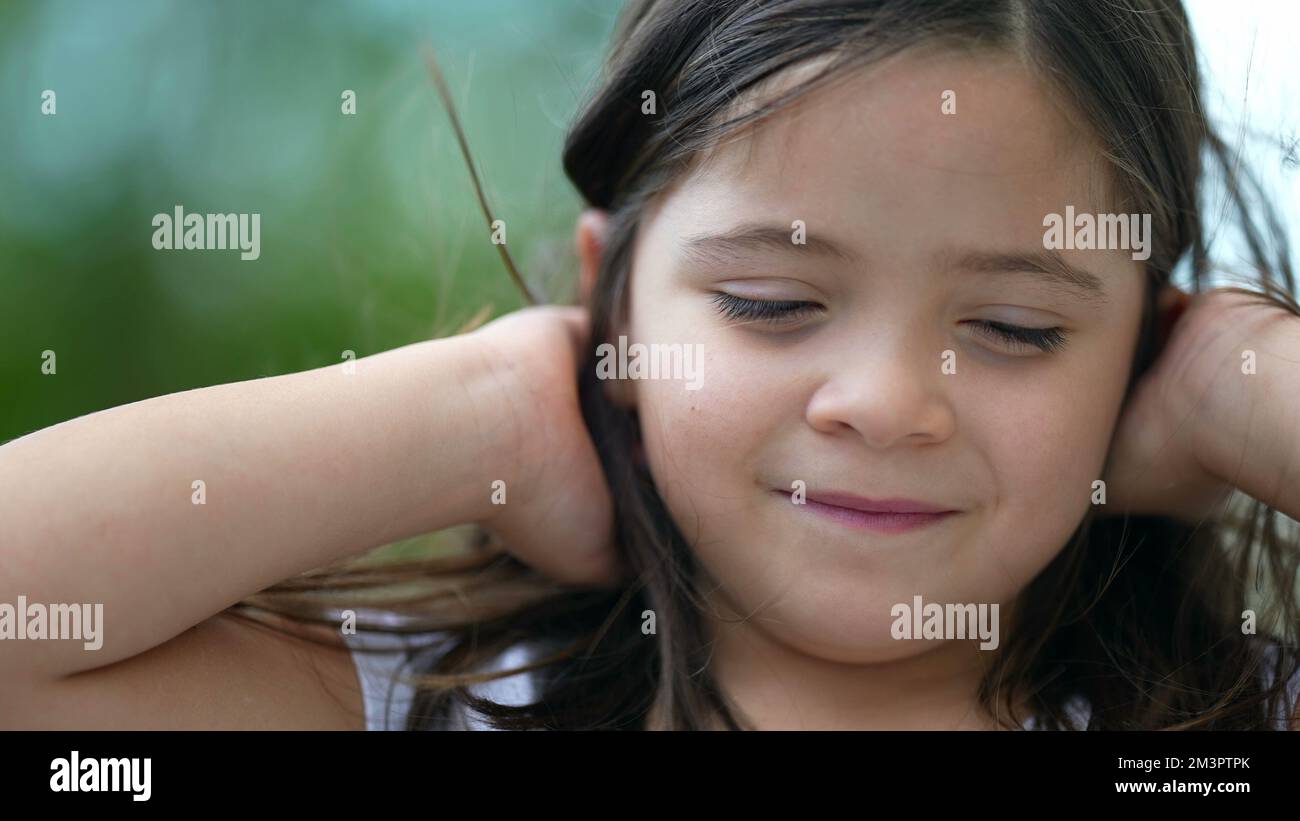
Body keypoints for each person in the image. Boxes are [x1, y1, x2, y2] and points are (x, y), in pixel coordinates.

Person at [3, 0, 1299, 731]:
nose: (890, 403)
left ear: (1139, 343)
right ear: (613, 303)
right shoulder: (437, 708)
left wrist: (1237, 389)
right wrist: (488, 412)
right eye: (773, 302)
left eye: (1018, 328)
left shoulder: (1227, 725)